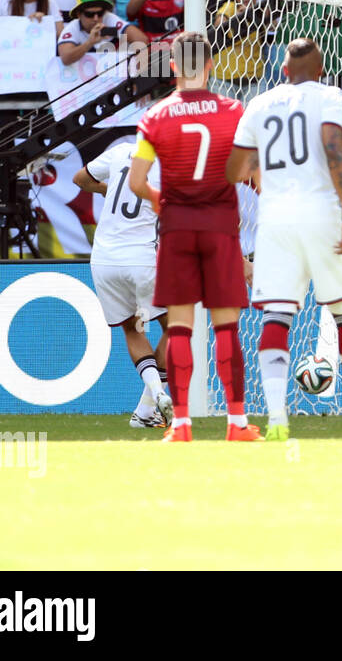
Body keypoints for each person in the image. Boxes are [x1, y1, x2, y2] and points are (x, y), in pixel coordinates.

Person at [225, 37, 342, 441]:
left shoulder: (258, 103)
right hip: (321, 214)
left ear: (283, 70)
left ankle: (276, 421)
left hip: (275, 221)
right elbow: (333, 146)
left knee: (276, 316)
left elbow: (235, 168)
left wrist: (262, 174)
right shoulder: (329, 95)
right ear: (320, 71)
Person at [127, 31, 260, 443]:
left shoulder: (154, 117)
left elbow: (136, 182)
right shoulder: (234, 111)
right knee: (227, 329)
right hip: (221, 227)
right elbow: (250, 172)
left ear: (171, 68)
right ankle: (236, 424)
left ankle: (181, 426)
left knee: (180, 327)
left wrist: (159, 199)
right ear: (210, 65)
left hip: (177, 228)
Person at [72, 139, 173, 430]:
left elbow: (80, 179)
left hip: (103, 260)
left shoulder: (120, 151)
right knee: (176, 326)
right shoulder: (172, 165)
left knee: (134, 328)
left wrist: (109, 190)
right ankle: (151, 404)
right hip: (142, 258)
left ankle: (148, 407)